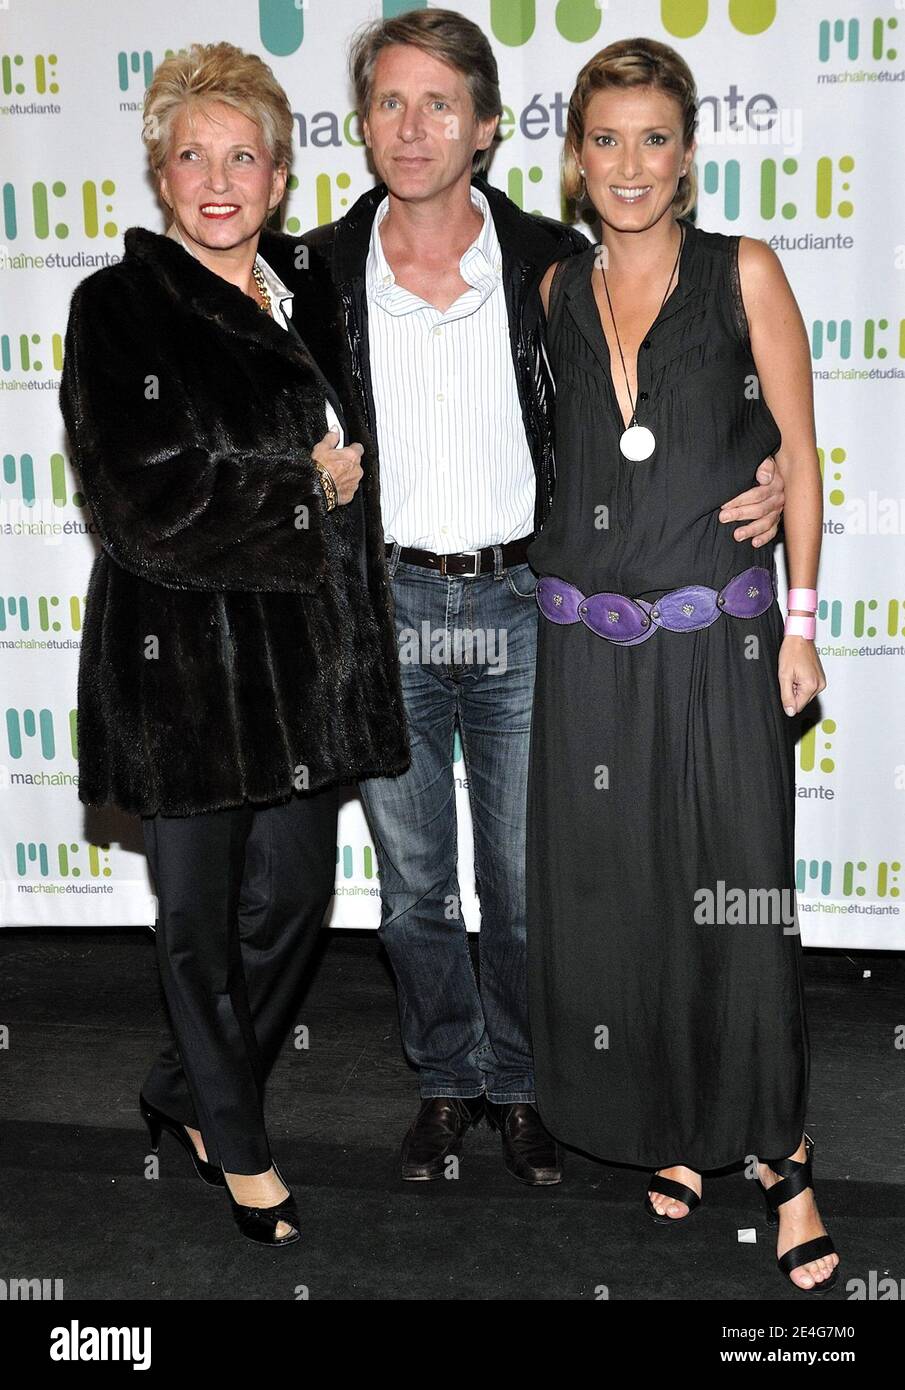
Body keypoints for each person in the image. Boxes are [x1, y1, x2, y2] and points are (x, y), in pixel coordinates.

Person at [265, 9, 786, 1188]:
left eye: (438, 103)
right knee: (411, 887)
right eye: (390, 103)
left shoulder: (554, 259)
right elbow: (251, 410)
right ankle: (445, 1078)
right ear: (359, 126)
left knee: (524, 876)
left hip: (522, 604)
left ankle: (520, 1081)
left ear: (488, 128)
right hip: (388, 607)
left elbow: (676, 384)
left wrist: (767, 470)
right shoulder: (315, 271)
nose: (412, 127)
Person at [58, 41, 409, 1247]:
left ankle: (179, 1089)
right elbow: (144, 503)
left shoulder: (311, 293)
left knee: (297, 901)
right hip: (182, 671)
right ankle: (239, 1137)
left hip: (303, 670)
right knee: (196, 919)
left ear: (276, 173)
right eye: (192, 155)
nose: (218, 179)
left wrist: (339, 496)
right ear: (160, 175)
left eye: (242, 155)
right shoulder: (117, 307)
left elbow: (351, 470)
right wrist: (303, 494)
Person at [527, 36, 839, 1291]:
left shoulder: (743, 271)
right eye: (604, 138)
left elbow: (801, 459)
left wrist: (803, 620)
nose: (628, 163)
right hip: (586, 654)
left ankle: (783, 1153)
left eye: (653, 137)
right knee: (631, 900)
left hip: (721, 641)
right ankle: (676, 1131)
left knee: (741, 900)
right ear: (573, 157)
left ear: (689, 154)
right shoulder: (552, 289)